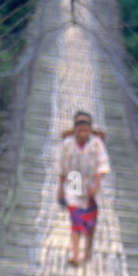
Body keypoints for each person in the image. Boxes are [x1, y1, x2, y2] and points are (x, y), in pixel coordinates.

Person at [57, 110, 111, 266]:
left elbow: (103, 165)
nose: (83, 133)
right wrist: (60, 188)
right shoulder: (68, 144)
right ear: (74, 130)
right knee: (75, 217)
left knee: (90, 221)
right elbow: (62, 167)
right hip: (74, 179)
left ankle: (87, 250)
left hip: (92, 182)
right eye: (79, 130)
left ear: (90, 130)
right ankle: (76, 255)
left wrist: (96, 185)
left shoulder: (96, 144)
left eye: (86, 130)